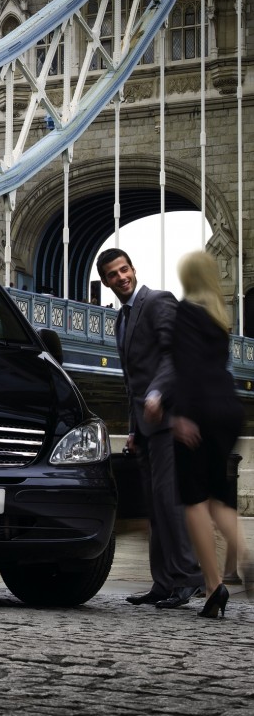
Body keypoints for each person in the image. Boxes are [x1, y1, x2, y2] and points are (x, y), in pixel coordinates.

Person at [96, 248, 204, 608]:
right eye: (113, 274)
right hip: (144, 427)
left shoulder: (158, 302)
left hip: (169, 418)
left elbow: (175, 355)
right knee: (154, 506)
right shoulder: (120, 320)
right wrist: (131, 428)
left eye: (124, 269)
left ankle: (188, 578)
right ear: (106, 281)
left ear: (133, 269)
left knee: (169, 501)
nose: (121, 277)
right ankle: (163, 582)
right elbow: (132, 383)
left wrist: (158, 393)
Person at [151, 251, 251, 618]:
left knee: (193, 500)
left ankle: (213, 587)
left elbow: (186, 369)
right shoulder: (220, 318)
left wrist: (181, 414)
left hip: (200, 411)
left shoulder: (185, 313)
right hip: (230, 408)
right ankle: (247, 559)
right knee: (220, 499)